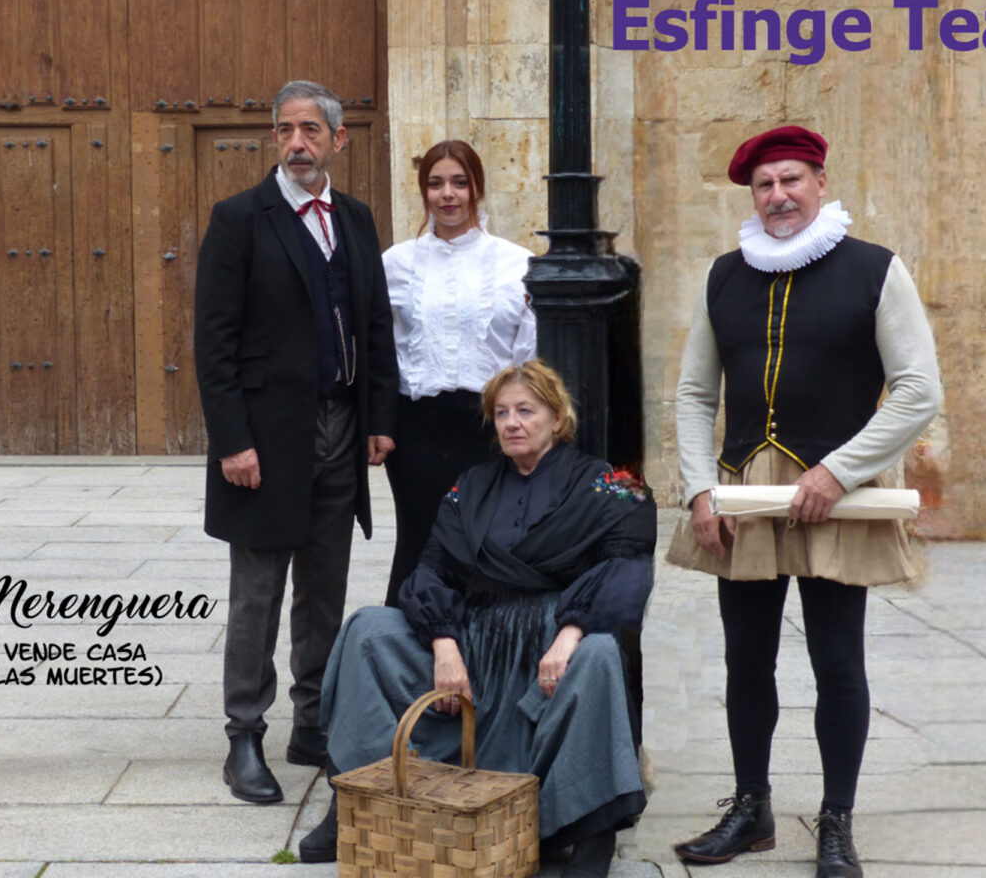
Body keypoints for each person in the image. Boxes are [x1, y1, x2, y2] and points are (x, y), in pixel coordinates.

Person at [668, 125, 942, 878]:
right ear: (751, 197)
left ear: (820, 183)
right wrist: (700, 486)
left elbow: (919, 391)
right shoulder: (724, 275)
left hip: (839, 496)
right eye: (764, 185)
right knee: (745, 660)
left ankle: (836, 821)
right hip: (743, 487)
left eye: (792, 180)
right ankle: (752, 808)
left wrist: (838, 472)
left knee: (837, 661)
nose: (779, 196)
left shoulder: (876, 271)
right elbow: (695, 393)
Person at [297, 360, 655, 877]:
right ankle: (358, 794)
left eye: (526, 411)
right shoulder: (473, 485)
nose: (512, 423)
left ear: (557, 418)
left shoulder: (609, 481)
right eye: (502, 413)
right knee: (368, 629)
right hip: (472, 645)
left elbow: (630, 561)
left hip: (550, 649)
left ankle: (588, 832)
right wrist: (444, 644)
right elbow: (431, 571)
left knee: (599, 655)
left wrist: (570, 632)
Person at [194, 79, 398, 804]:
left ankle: (313, 723)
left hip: (340, 427)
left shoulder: (357, 219)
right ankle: (244, 735)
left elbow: (373, 323)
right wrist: (232, 443)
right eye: (284, 130)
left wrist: (378, 418)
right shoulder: (239, 219)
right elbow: (212, 344)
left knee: (324, 586)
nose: (297, 143)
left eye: (310, 129)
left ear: (338, 139)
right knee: (258, 592)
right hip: (265, 438)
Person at [381, 140, 537, 606]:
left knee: (483, 543)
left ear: (477, 189)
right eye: (435, 183)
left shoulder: (517, 262)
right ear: (423, 191)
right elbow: (381, 351)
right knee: (419, 541)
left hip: (487, 426)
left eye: (459, 182)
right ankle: (406, 659)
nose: (447, 194)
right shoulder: (395, 263)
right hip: (416, 429)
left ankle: (485, 658)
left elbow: (528, 356)